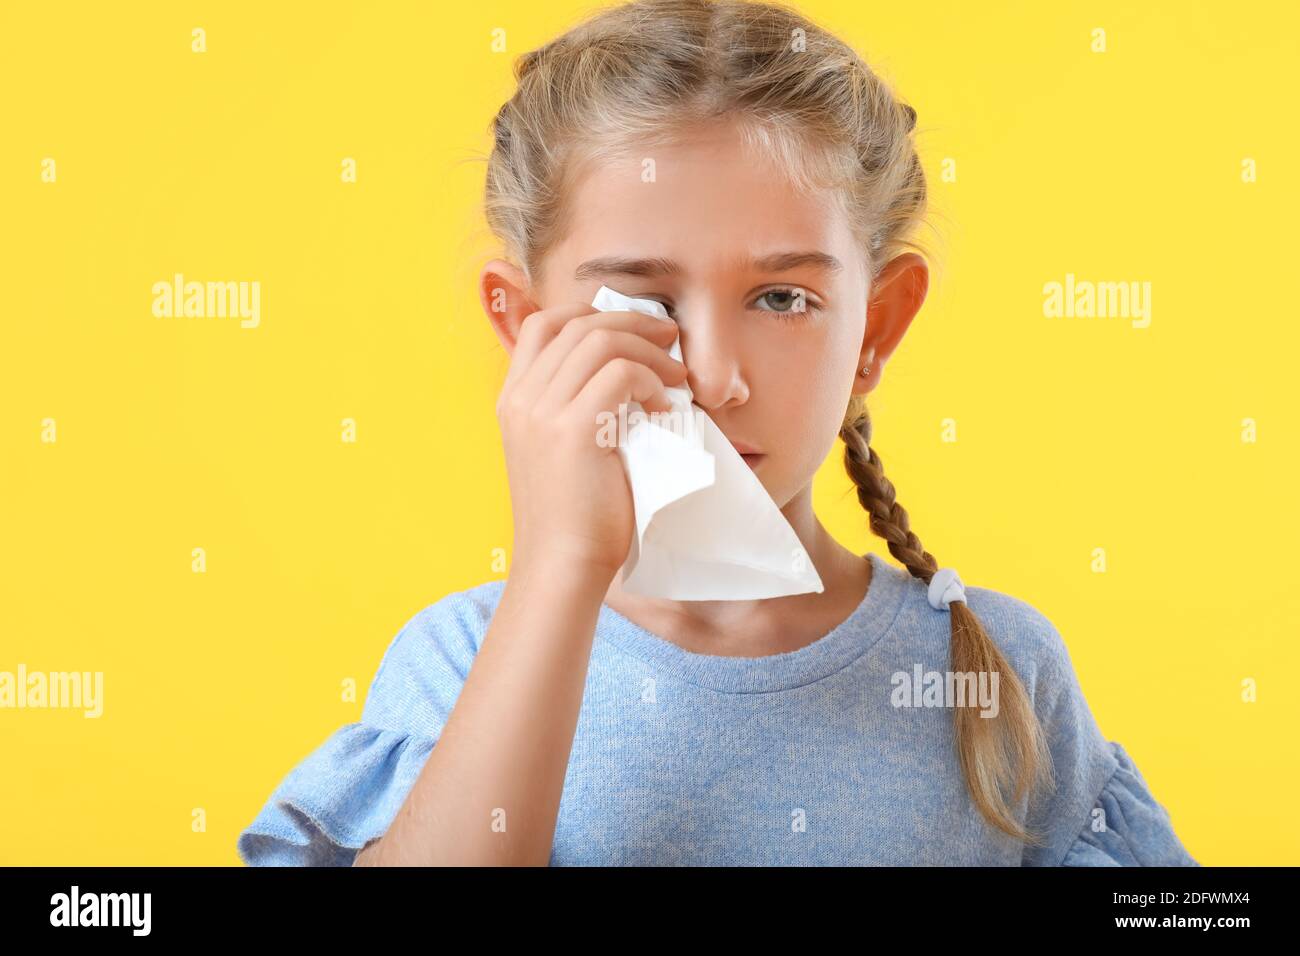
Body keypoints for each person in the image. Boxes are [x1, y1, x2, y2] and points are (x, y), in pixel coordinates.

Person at [237, 0, 1198, 866]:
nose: (719, 379)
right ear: (528, 330)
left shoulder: (993, 671)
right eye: (645, 299)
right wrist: (563, 561)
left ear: (877, 328)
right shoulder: (458, 663)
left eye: (783, 298)